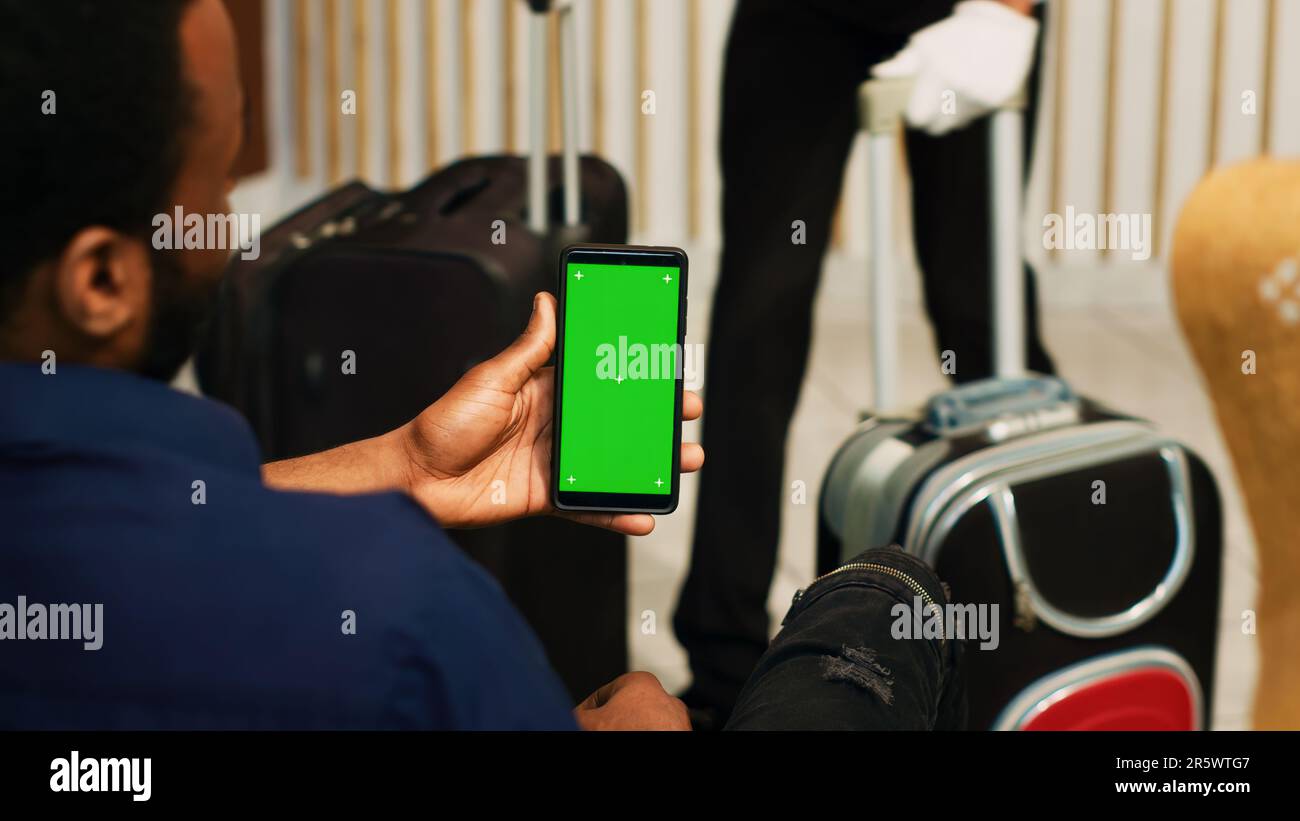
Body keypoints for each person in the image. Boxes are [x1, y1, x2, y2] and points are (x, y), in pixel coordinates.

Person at [0, 0, 963, 732]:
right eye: (215, 176)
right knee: (882, 598)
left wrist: (402, 467)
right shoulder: (399, 611)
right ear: (101, 280)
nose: (227, 221)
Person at [675, 0, 1056, 724]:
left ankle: (1044, 613)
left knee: (980, 303)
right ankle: (723, 666)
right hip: (804, 17)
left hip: (973, 5)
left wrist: (1008, 13)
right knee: (761, 309)